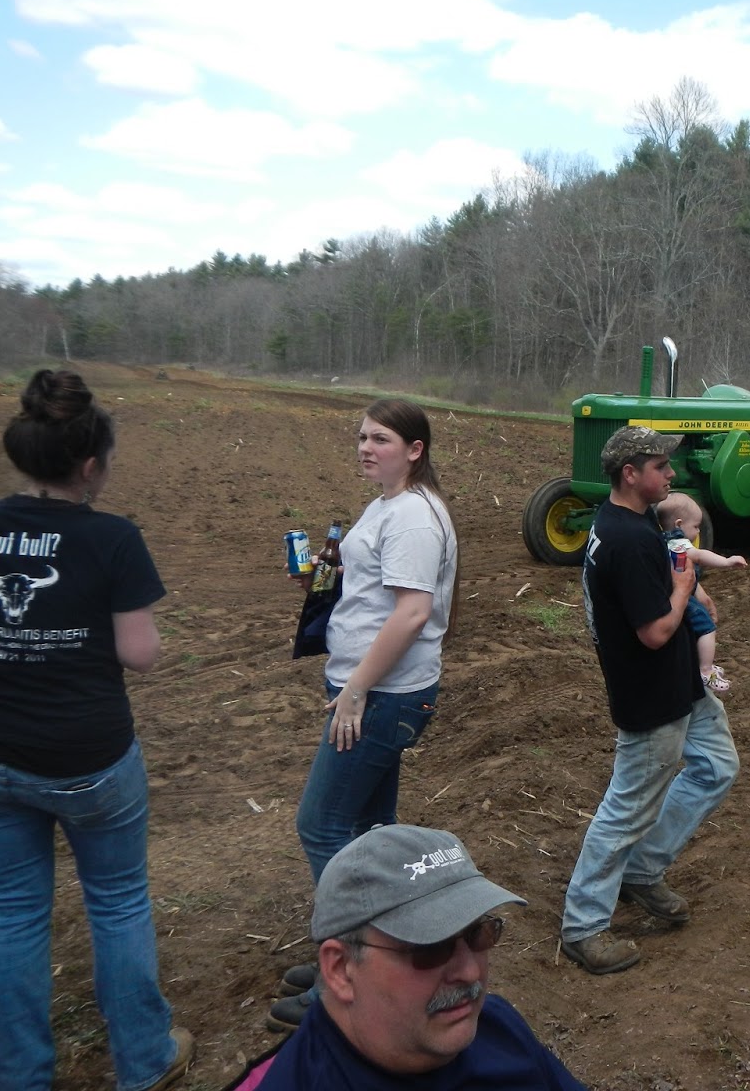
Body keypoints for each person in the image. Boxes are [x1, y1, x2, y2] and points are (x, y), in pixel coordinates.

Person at [0, 369, 193, 1091]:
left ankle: (20, 1075)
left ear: (23, 452)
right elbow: (141, 653)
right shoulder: (112, 538)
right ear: (91, 463)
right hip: (90, 761)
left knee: (12, 913)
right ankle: (143, 1060)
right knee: (118, 900)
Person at [271, 399, 459, 1030]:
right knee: (374, 832)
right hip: (380, 693)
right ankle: (394, 944)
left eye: (381, 438)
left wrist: (354, 691)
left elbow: (410, 612)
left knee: (322, 826)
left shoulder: (412, 517)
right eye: (361, 437)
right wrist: (326, 578)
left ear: (415, 448)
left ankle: (355, 966)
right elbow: (374, 586)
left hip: (381, 698)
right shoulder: (386, 505)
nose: (365, 446)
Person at [561, 427, 740, 974]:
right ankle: (584, 925)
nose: (672, 475)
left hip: (682, 683)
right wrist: (684, 589)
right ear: (629, 474)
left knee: (717, 767)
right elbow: (656, 632)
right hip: (651, 692)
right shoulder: (627, 539)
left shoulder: (628, 522)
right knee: (625, 809)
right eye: (661, 466)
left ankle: (641, 870)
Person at [250, 825, 584, 1090]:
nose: (470, 972)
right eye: (431, 948)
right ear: (341, 970)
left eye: (477, 934)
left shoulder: (496, 1027)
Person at [656, 492, 748, 693]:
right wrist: (726, 561)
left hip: (674, 592)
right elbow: (698, 555)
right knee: (706, 627)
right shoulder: (678, 543)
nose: (698, 532)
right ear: (679, 524)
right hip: (682, 596)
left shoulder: (659, 538)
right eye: (696, 526)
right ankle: (705, 671)